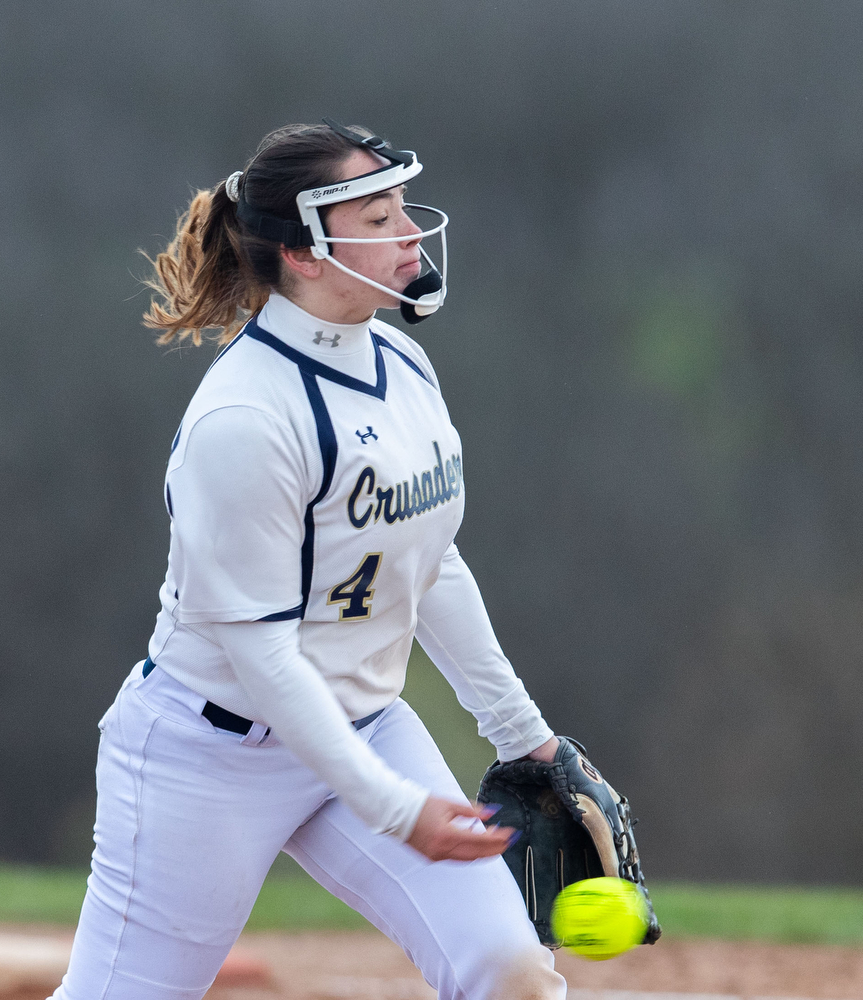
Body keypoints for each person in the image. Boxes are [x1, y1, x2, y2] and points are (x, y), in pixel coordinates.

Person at [50, 121, 567, 1000]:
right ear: (302, 252)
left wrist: (527, 737)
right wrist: (396, 808)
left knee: (508, 968)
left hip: (366, 724)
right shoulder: (244, 419)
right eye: (379, 217)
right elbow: (262, 655)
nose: (409, 233)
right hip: (209, 756)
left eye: (403, 207)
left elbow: (427, 561)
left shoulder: (401, 361)